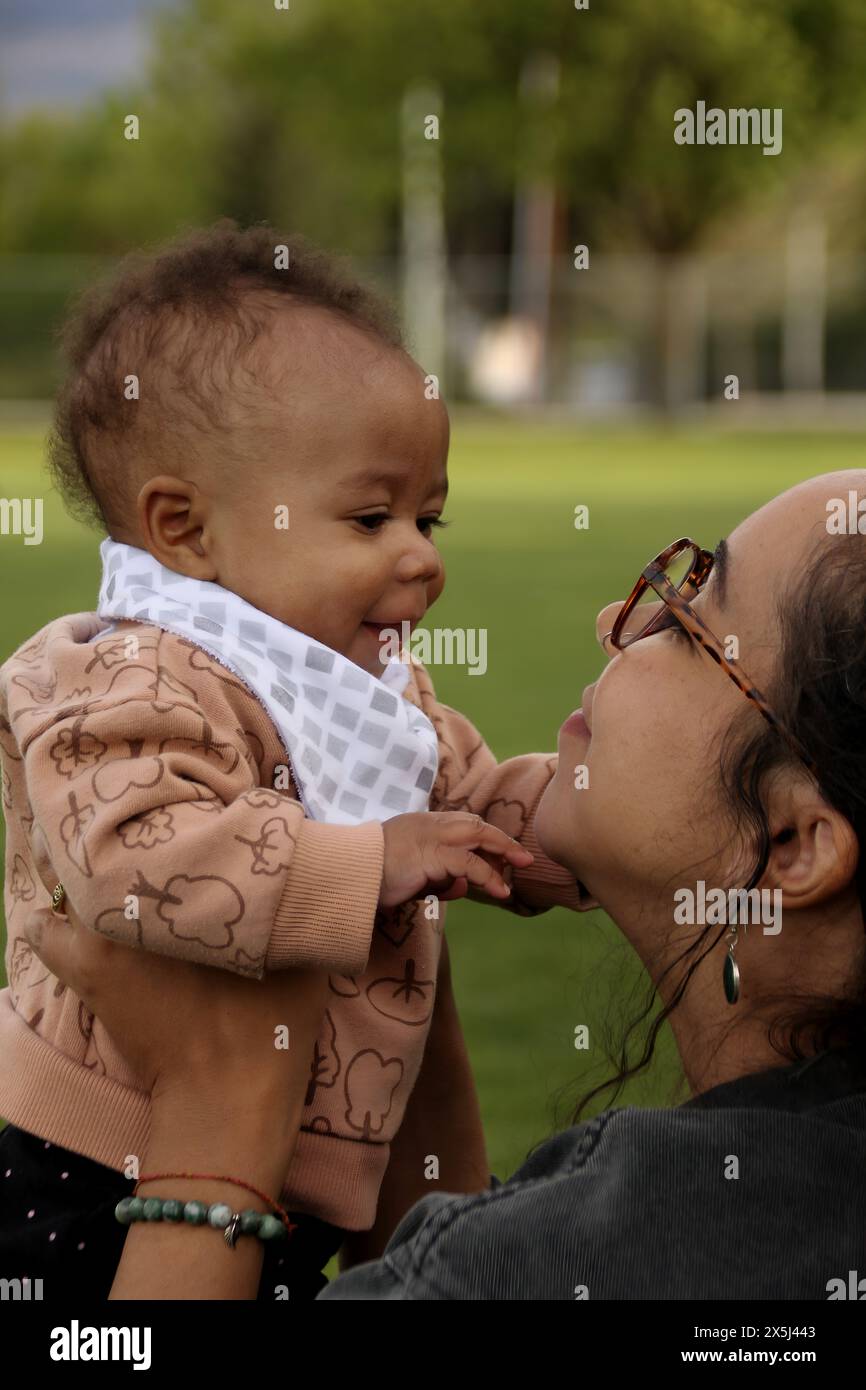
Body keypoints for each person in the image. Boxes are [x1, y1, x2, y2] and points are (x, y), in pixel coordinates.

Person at [13, 470, 866, 1300]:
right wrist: (396, 924)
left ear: (793, 843)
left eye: (686, 622)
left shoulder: (598, 1256)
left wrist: (217, 1114)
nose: (618, 619)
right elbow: (431, 1253)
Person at [0, 220, 588, 1300]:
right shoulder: (130, 683)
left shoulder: (363, 695)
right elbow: (137, 861)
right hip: (93, 1170)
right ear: (184, 528)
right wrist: (371, 862)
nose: (421, 556)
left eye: (428, 516)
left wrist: (584, 825)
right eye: (370, 516)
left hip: (294, 1186)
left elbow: (465, 799)